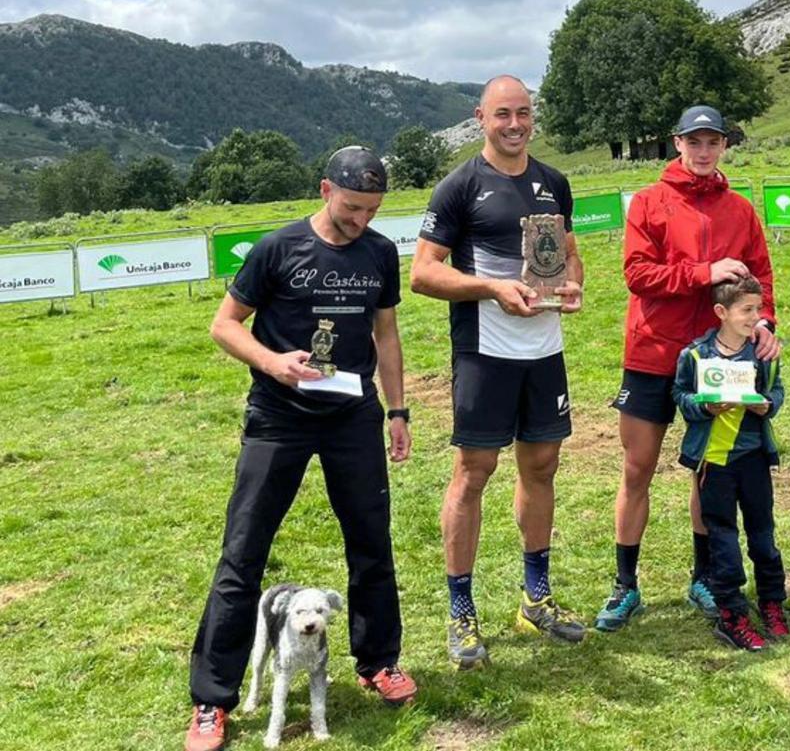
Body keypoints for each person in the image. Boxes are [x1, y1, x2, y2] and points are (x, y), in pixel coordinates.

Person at [185, 147, 416, 751]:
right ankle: (212, 699)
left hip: (352, 417)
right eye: (352, 207)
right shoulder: (276, 248)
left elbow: (385, 334)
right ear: (323, 190)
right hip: (278, 417)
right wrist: (272, 362)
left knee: (371, 545)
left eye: (372, 210)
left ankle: (378, 662)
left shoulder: (380, 253)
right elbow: (224, 324)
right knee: (243, 554)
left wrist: (397, 410)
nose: (361, 219)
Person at [410, 75, 585, 670]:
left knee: (542, 465)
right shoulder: (458, 187)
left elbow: (568, 249)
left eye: (524, 114)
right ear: (481, 117)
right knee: (474, 471)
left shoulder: (553, 182)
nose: (515, 124)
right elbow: (424, 274)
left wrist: (575, 284)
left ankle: (536, 597)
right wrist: (490, 287)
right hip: (485, 351)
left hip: (544, 349)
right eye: (503, 114)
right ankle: (461, 610)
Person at [595, 105, 780, 633]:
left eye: (712, 142)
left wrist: (763, 323)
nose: (703, 151)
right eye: (693, 141)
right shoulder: (650, 203)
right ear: (677, 144)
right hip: (653, 354)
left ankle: (704, 576)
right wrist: (705, 273)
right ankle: (625, 585)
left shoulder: (740, 210)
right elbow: (637, 274)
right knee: (638, 469)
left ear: (724, 146)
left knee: (710, 471)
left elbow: (760, 275)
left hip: (718, 360)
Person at [672, 276, 787, 651]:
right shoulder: (696, 355)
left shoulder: (763, 354)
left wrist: (766, 405)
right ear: (721, 312)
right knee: (723, 542)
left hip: (754, 460)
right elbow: (681, 395)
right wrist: (704, 407)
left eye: (758, 309)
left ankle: (772, 604)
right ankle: (732, 616)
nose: (755, 318)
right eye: (746, 310)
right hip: (715, 462)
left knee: (763, 536)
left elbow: (776, 392)